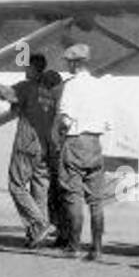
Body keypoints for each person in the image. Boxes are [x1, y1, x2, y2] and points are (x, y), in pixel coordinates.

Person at [0, 54, 61, 248]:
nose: (24, 70)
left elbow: (6, 93)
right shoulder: (50, 94)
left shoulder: (27, 87)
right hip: (46, 147)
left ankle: (40, 223)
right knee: (39, 190)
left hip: (27, 144)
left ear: (33, 69)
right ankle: (36, 236)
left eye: (27, 67)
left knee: (16, 185)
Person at [54, 43, 113, 260]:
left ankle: (74, 246)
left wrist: (60, 136)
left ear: (74, 63)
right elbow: (108, 123)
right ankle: (96, 249)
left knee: (73, 196)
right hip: (95, 144)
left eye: (68, 62)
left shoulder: (71, 86)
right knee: (96, 201)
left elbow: (65, 119)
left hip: (75, 142)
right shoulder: (100, 86)